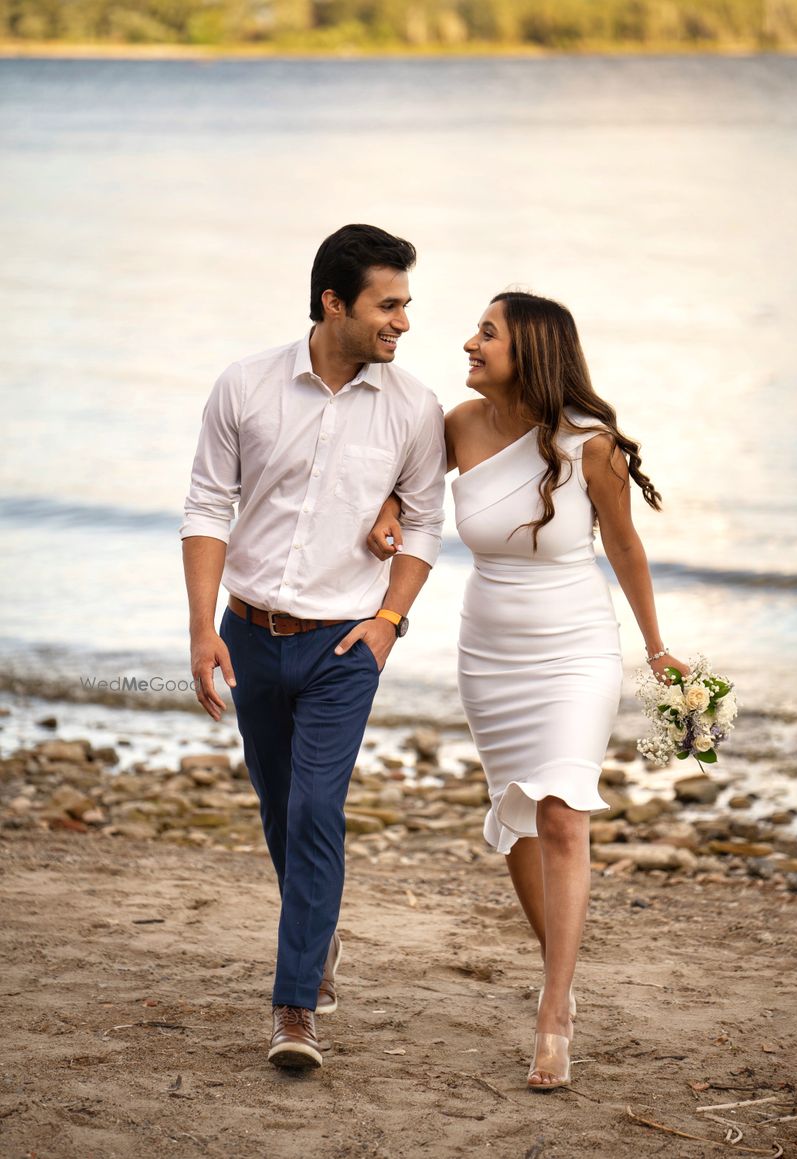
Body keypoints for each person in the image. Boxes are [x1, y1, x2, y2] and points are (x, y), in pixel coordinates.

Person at [367, 291, 687, 1091]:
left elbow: (625, 547)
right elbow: (406, 484)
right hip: (491, 650)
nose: (468, 343)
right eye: (477, 330)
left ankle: (552, 1009)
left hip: (577, 645)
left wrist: (656, 649)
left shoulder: (590, 445)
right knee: (517, 818)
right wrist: (382, 512)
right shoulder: (457, 425)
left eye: (487, 333)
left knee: (562, 811)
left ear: (530, 351)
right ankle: (565, 976)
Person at [180, 224, 446, 1071]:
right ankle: (318, 932)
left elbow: (427, 516)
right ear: (334, 302)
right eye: (388, 303)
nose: (403, 321)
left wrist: (389, 621)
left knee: (315, 809)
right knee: (277, 809)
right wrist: (199, 629)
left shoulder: (414, 408)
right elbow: (206, 507)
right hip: (249, 634)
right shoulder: (246, 385)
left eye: (406, 303)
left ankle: (295, 1006)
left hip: (345, 647)